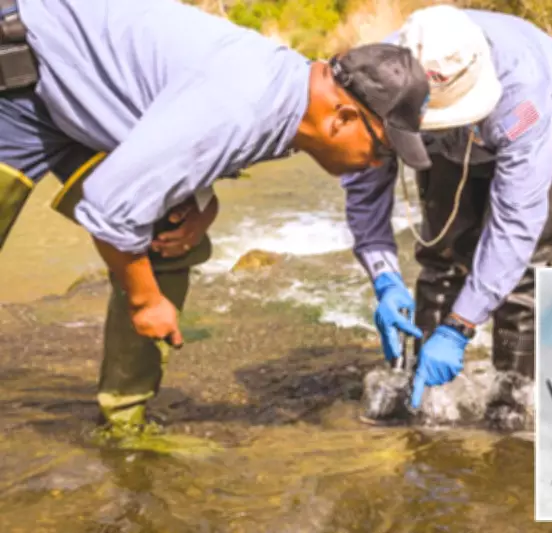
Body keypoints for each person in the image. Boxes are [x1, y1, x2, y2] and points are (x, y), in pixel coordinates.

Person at [0, 0, 432, 433]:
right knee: (138, 249)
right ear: (341, 118)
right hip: (17, 65)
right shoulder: (244, 105)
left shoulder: (296, 95)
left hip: (72, 93)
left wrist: (204, 206)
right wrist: (145, 301)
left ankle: (124, 426)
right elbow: (111, 210)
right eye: (382, 150)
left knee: (167, 236)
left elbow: (186, 129)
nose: (378, 166)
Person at [341, 5, 552, 411]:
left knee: (524, 275)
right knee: (441, 257)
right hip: (434, 139)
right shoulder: (377, 74)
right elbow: (365, 186)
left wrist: (459, 328)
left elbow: (516, 225)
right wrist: (383, 275)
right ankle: (421, 391)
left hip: (535, 128)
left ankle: (514, 399)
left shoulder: (523, 99)